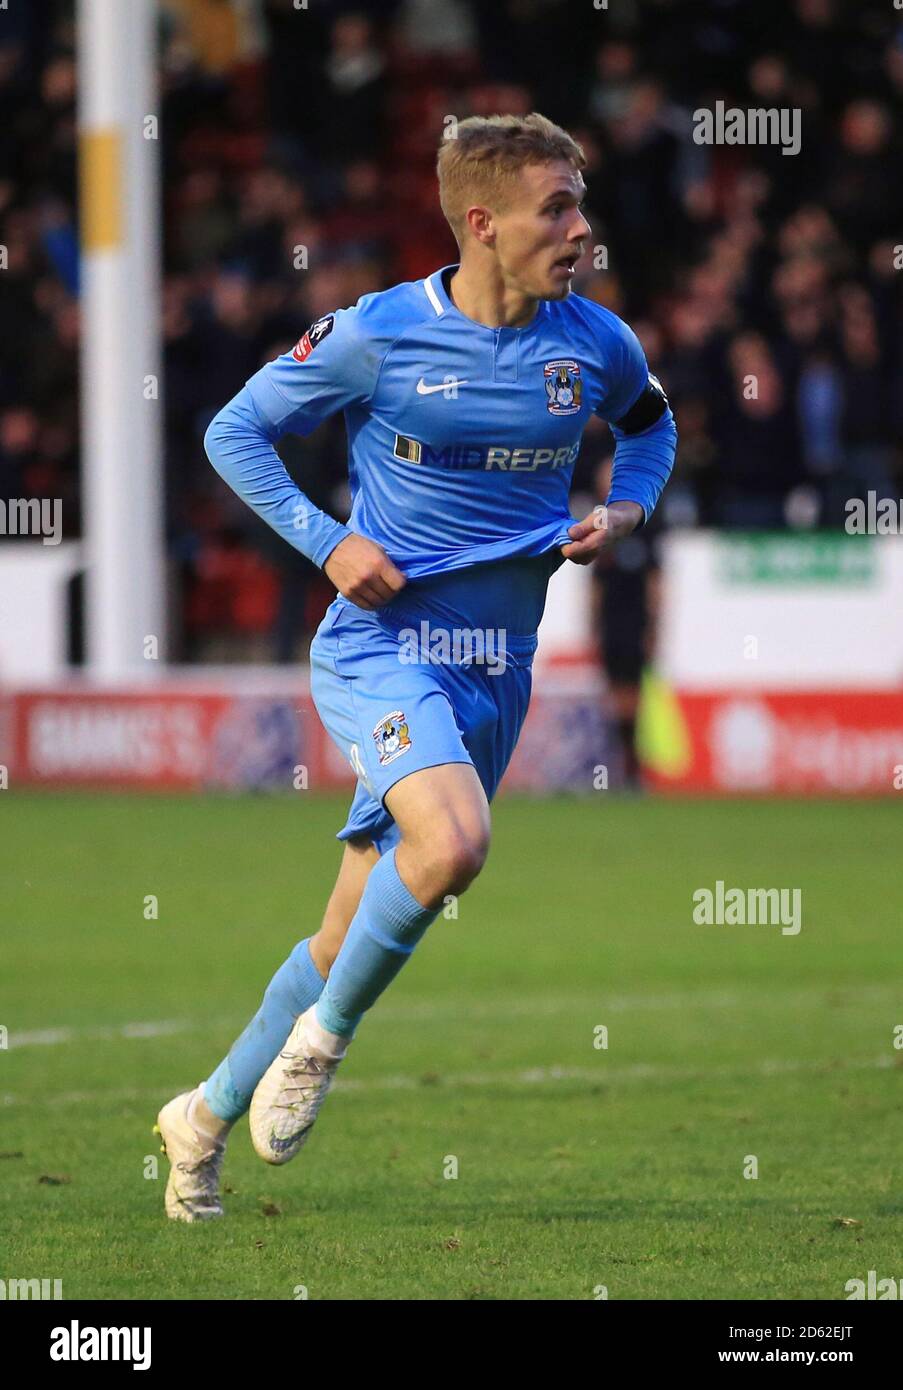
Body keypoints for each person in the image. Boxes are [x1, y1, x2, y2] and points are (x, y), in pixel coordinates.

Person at [154, 112, 677, 1221]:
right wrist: (331, 541)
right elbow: (232, 431)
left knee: (343, 931)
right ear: (483, 226)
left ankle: (198, 1117)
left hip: (497, 668)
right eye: (558, 209)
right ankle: (321, 1047)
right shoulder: (380, 333)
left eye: (579, 205)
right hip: (384, 650)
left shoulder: (595, 344)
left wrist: (628, 504)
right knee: (457, 844)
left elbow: (652, 427)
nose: (580, 230)